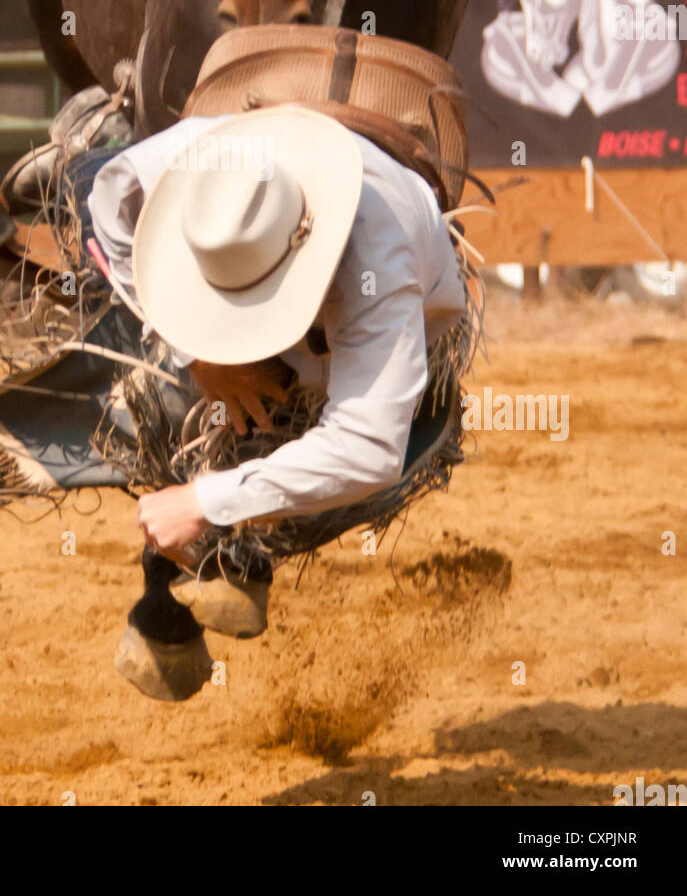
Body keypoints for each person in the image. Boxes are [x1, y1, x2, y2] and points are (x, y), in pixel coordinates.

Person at [86, 105, 467, 699]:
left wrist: (203, 501)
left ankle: (238, 554)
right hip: (269, 306)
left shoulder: (379, 260)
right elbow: (109, 197)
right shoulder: (207, 165)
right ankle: (206, 568)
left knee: (352, 475)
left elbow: (368, 447)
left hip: (363, 341)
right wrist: (194, 354)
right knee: (171, 395)